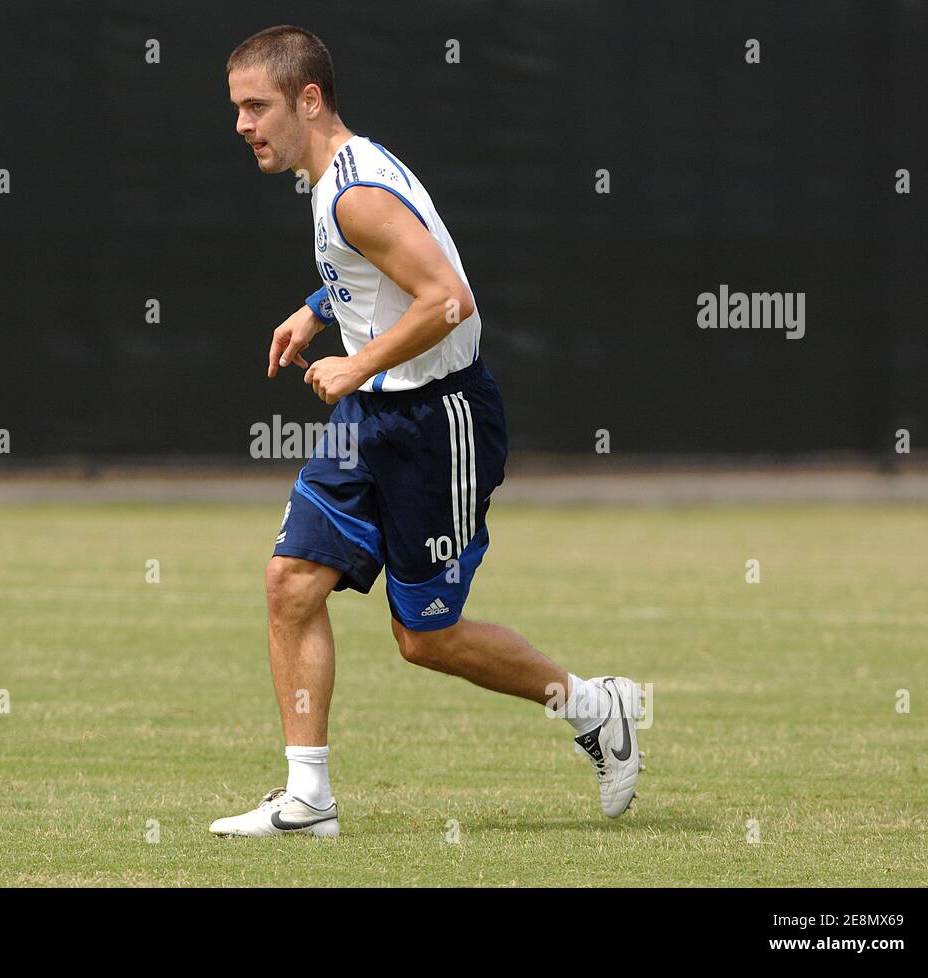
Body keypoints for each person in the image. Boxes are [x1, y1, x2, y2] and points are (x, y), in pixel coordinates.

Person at [212, 26, 644, 838]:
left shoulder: (354, 191)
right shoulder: (336, 173)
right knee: (290, 583)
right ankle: (308, 801)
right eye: (236, 107)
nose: (242, 123)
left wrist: (354, 361)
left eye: (255, 105)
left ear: (309, 99)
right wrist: (316, 310)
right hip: (373, 416)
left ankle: (596, 706)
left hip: (436, 422)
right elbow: (382, 266)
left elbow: (448, 297)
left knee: (426, 636)